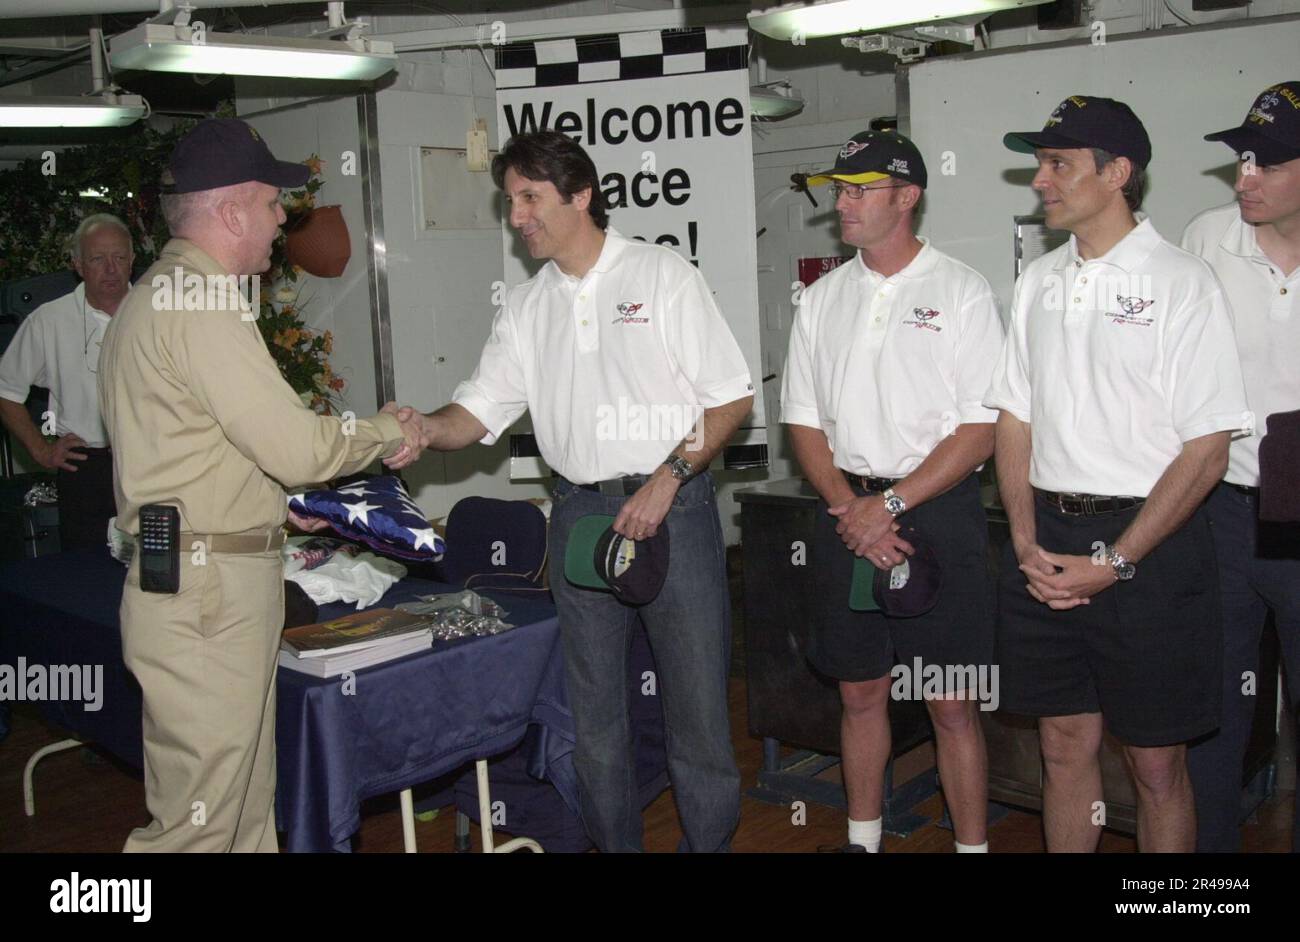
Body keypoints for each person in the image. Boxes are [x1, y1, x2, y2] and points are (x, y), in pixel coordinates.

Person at [386, 130, 754, 852]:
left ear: (581, 195)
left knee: (697, 717)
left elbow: (731, 397)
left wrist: (668, 478)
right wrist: (426, 428)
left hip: (672, 507)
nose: (516, 216)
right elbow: (479, 410)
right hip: (580, 515)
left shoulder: (660, 275)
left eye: (530, 197)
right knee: (593, 723)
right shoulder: (526, 306)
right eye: (510, 201)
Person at [98, 118, 419, 852]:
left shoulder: (156, 297)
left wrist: (275, 507)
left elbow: (193, 448)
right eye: (274, 204)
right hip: (208, 592)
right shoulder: (202, 305)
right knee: (199, 825)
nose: (282, 221)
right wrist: (387, 430)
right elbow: (296, 447)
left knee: (238, 809)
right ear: (233, 210)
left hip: (186, 574)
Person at [985, 96, 1250, 852]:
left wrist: (1118, 561)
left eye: (1057, 164)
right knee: (1063, 743)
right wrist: (1024, 538)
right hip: (1047, 537)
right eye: (1040, 163)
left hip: (1150, 548)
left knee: (1156, 765)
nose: (1040, 180)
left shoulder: (1182, 281)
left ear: (1117, 172)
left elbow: (1207, 449)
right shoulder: (1039, 281)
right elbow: (1014, 417)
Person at [781, 130, 1004, 853]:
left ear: (907, 196)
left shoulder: (961, 291)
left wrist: (891, 506)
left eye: (859, 190)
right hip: (847, 514)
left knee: (951, 702)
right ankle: (864, 840)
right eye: (839, 190)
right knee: (859, 692)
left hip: (937, 514)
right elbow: (803, 422)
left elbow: (981, 429)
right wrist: (853, 509)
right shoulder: (821, 299)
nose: (841, 204)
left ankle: (971, 848)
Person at [1184, 80, 1300, 853]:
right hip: (1221, 507)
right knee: (1216, 703)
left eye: (1269, 163)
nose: (1245, 178)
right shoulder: (1206, 239)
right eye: (1242, 160)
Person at [0, 214, 133, 549]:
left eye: (119, 257)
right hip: (85, 468)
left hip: (152, 464)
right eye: (98, 259)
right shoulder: (49, 321)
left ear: (132, 260)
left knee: (157, 569)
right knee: (84, 570)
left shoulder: (158, 314)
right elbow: (5, 390)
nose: (111, 269)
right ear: (78, 264)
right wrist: (42, 451)